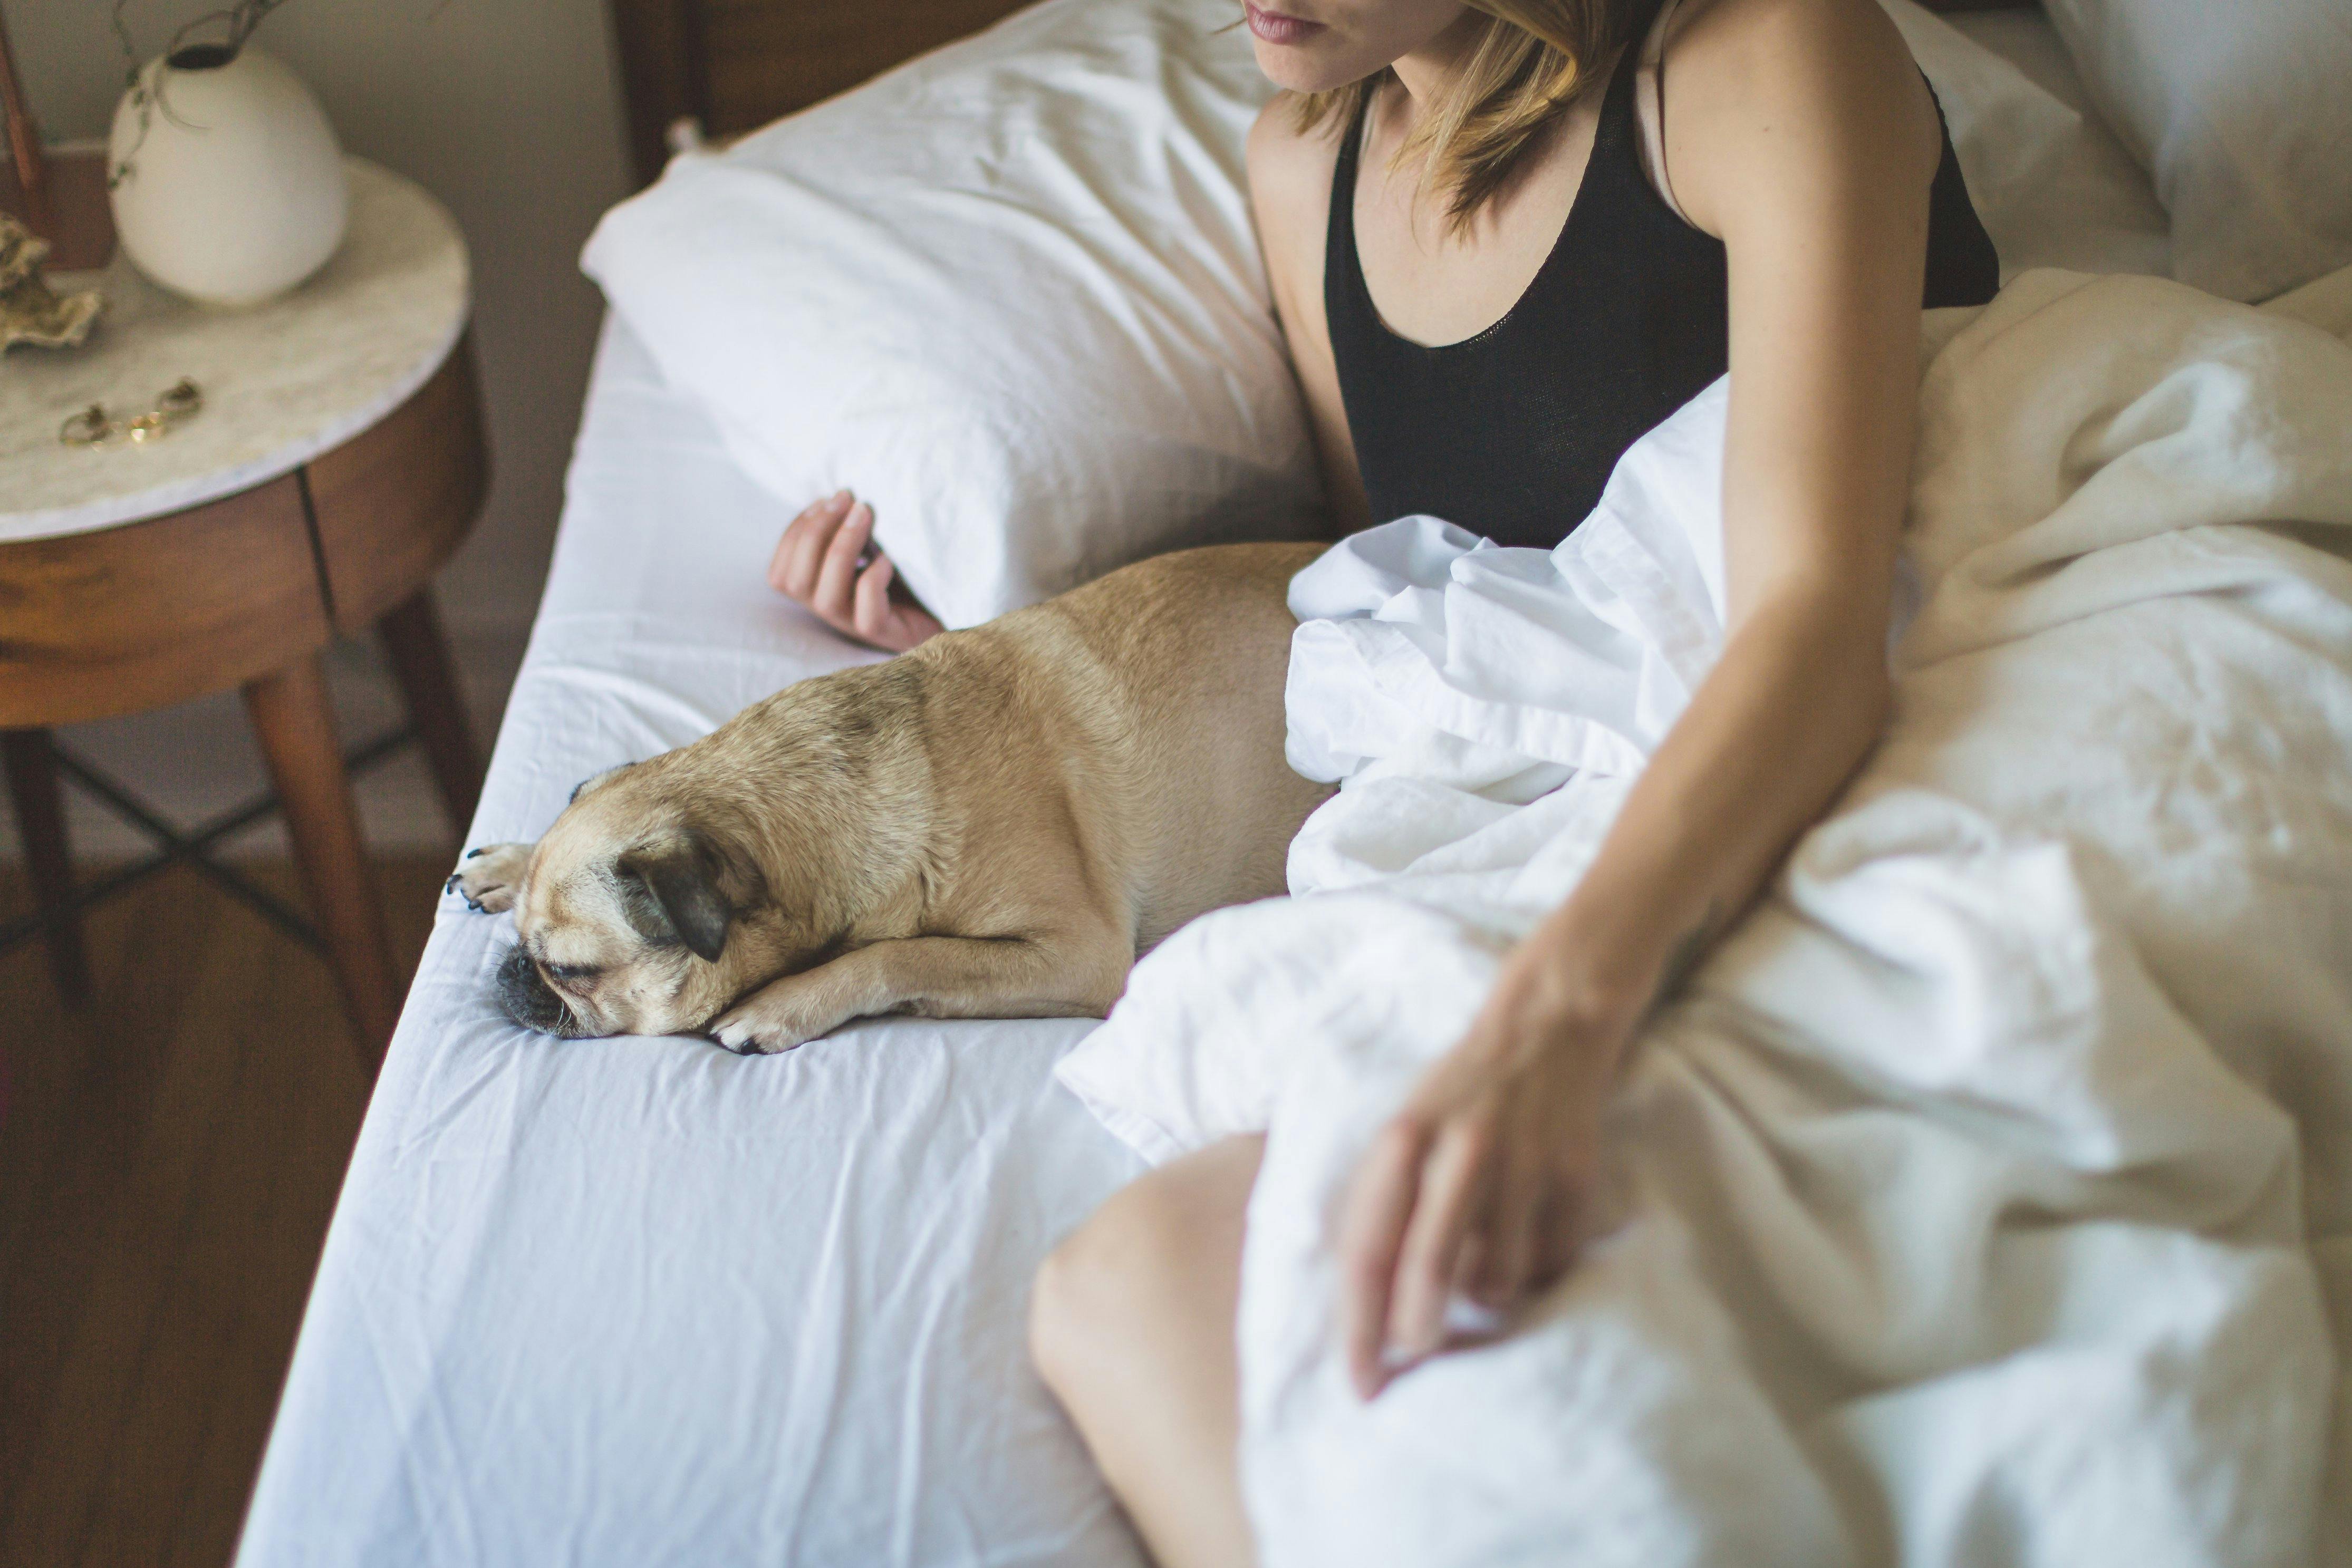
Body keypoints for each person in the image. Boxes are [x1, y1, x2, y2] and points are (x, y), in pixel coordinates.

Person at [772, 0, 1997, 1560]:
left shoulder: (1759, 61)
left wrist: (1548, 1025)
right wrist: (971, 656)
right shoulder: (1309, 165)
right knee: (1120, 1294)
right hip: (1558, 772)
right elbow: (1409, 603)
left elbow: (1819, 625)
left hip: (1869, 714)